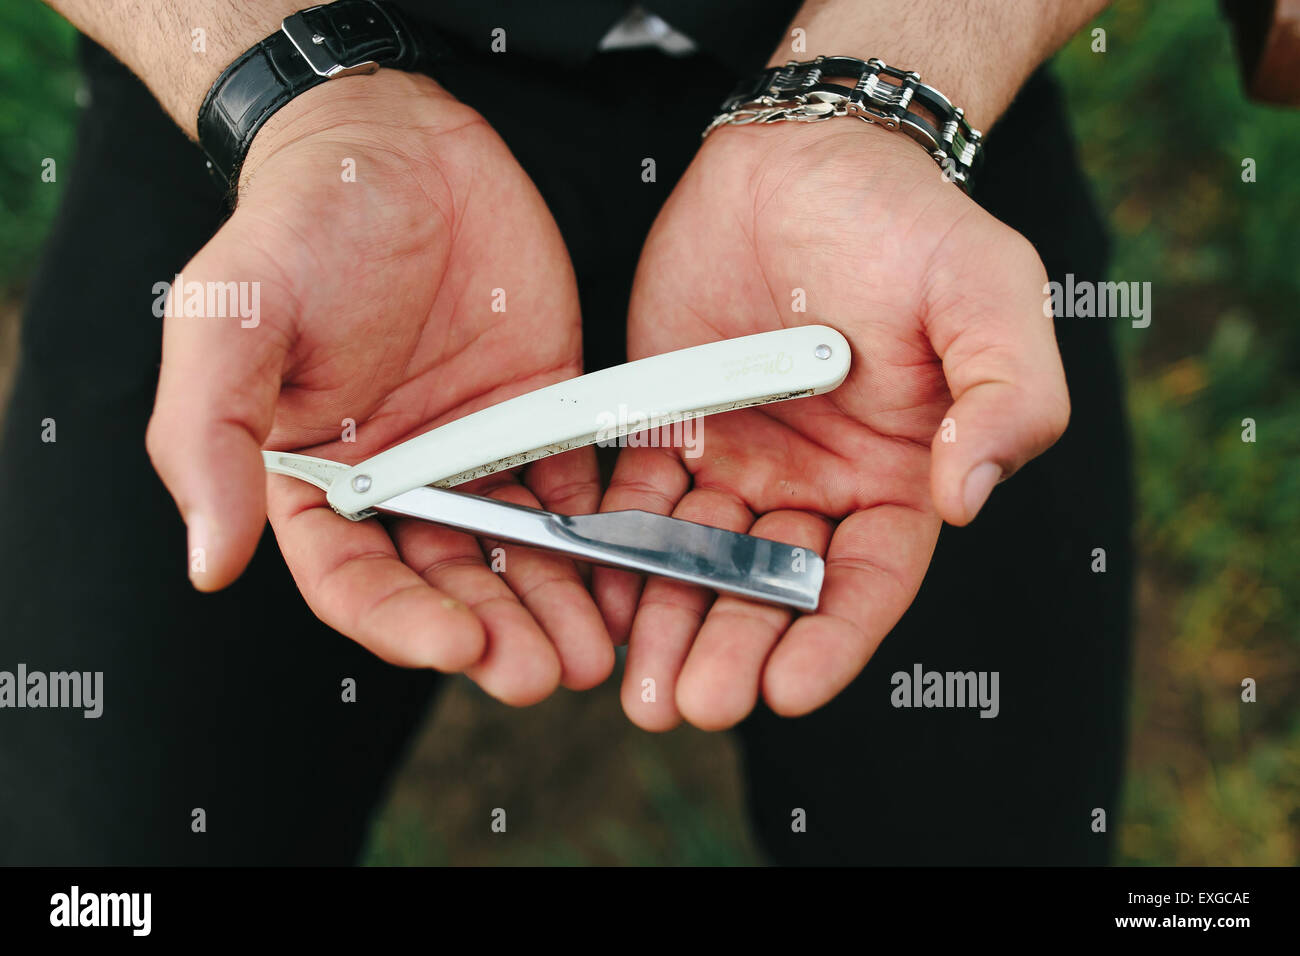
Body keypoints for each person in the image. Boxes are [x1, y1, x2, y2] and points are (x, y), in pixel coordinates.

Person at [0, 0, 1132, 864]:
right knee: (98, 867)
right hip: (286, 132)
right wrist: (286, 87)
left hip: (901, 125)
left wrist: (903, 72)